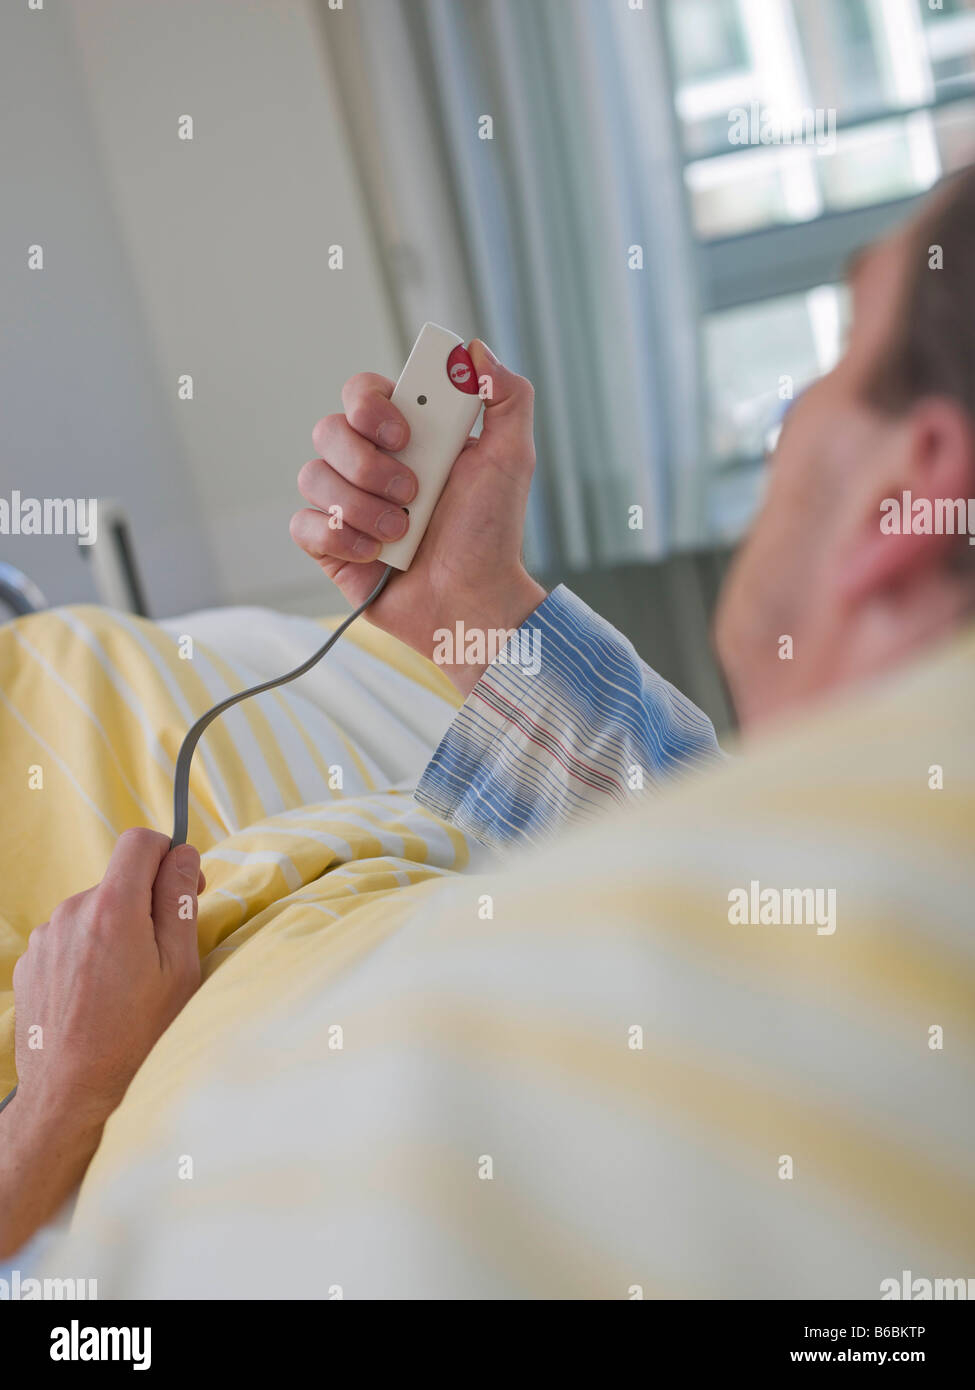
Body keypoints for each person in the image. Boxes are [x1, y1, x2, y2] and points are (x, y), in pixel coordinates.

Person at [2, 167, 974, 1292]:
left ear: (918, 481)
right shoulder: (842, 907)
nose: (786, 424)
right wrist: (465, 603)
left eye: (843, 353)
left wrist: (52, 1107)